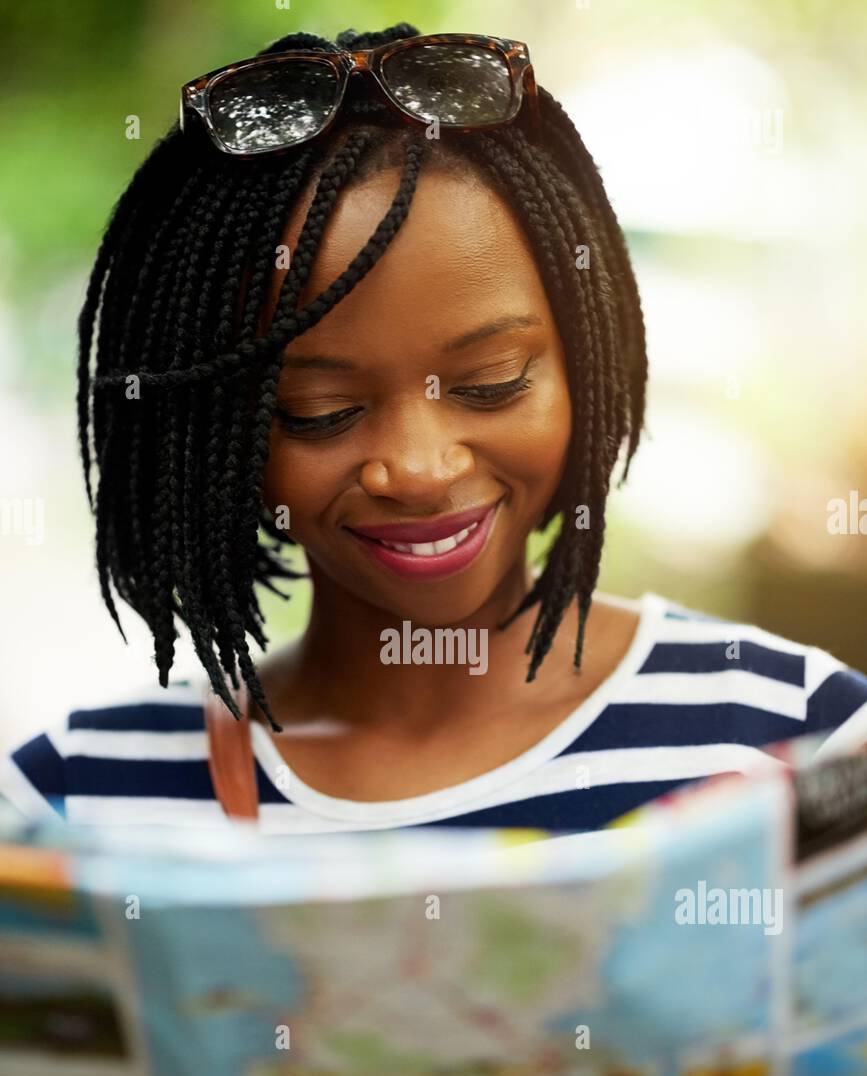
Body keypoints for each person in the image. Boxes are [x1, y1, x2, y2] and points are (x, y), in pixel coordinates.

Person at [2, 22, 866, 833]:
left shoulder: (802, 738)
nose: (418, 468)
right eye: (321, 412)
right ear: (213, 435)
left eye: (490, 384)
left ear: (589, 367)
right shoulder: (71, 802)